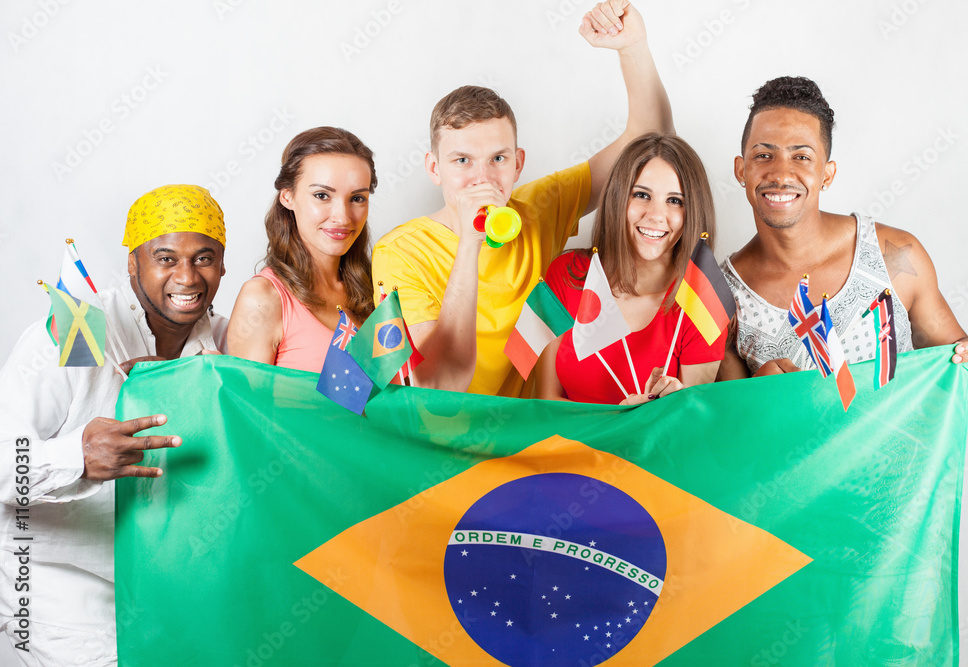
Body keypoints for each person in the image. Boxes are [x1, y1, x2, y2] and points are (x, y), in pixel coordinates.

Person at [372, 0, 674, 397]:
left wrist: (632, 47)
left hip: (529, 439)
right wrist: (469, 244)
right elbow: (442, 384)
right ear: (434, 168)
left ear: (518, 164)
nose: (482, 179)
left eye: (497, 159)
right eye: (462, 160)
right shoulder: (400, 252)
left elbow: (650, 141)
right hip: (446, 447)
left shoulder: (539, 208)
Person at [0, 184, 228, 666]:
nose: (186, 276)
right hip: (63, 589)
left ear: (224, 264)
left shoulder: (230, 341)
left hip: (173, 591)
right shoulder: (76, 330)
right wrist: (75, 459)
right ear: (133, 264)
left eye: (204, 257)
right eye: (165, 258)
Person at [718, 76, 968, 383]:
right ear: (741, 169)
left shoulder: (894, 255)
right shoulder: (720, 295)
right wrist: (757, 397)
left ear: (827, 174)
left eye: (801, 157)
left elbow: (955, 372)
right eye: (763, 155)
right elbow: (724, 420)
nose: (781, 174)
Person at [536, 133, 723, 405]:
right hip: (567, 446)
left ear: (693, 212)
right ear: (617, 199)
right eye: (641, 195)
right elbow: (546, 403)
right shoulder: (567, 274)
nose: (656, 215)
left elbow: (691, 429)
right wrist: (619, 421)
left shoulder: (703, 303)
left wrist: (669, 409)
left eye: (675, 201)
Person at [227, 127, 376, 372]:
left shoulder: (376, 288)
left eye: (357, 198)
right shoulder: (263, 298)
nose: (343, 217)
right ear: (287, 197)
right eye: (322, 195)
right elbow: (246, 408)